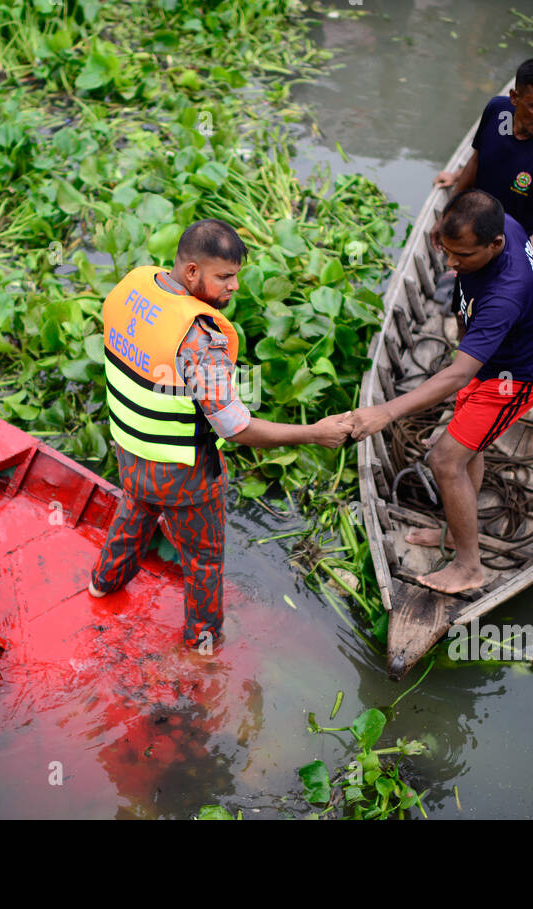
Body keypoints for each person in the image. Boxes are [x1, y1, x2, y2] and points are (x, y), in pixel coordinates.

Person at [89, 219, 351, 650]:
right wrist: (314, 432)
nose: (234, 287)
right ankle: (203, 642)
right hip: (184, 473)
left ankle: (103, 583)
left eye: (236, 276)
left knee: (135, 511)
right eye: (224, 277)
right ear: (193, 272)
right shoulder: (197, 339)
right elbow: (237, 428)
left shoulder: (133, 287)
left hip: (131, 451)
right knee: (204, 561)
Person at [350, 191, 533, 595]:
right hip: (493, 363)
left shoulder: (505, 292)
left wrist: (386, 412)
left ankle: (468, 567)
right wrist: (449, 241)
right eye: (446, 250)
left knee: (444, 459)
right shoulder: (505, 225)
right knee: (467, 448)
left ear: (495, 245)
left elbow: (459, 374)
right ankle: (453, 530)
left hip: (518, 378)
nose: (450, 264)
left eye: (461, 255)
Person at [433, 58, 533, 281]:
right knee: (464, 308)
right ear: (515, 98)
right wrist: (446, 216)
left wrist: (516, 253)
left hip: (522, 248)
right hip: (477, 238)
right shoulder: (497, 112)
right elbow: (475, 162)